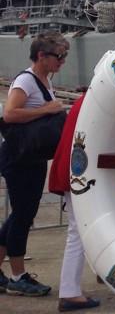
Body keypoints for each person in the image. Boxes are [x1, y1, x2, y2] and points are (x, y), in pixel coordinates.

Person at [49, 91, 115, 311]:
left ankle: (85, 278)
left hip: (76, 171)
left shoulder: (91, 99)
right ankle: (86, 278)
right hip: (84, 173)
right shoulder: (106, 101)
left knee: (78, 230)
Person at [0, 31, 69, 298]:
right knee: (22, 216)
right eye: (59, 57)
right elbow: (10, 114)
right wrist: (46, 109)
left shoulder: (45, 80)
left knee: (22, 214)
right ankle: (18, 277)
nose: (62, 61)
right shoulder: (26, 81)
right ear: (42, 56)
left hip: (32, 158)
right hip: (19, 160)